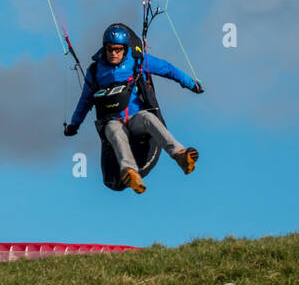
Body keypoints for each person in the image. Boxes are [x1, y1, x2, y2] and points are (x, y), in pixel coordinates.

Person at [64, 23, 203, 193]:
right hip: (113, 121)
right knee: (115, 131)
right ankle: (130, 172)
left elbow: (167, 69)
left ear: (124, 49)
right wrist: (74, 124)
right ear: (104, 48)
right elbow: (85, 100)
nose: (113, 53)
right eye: (109, 49)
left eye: (117, 49)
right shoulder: (95, 71)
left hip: (136, 118)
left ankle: (180, 154)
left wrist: (191, 84)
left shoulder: (138, 60)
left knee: (149, 118)